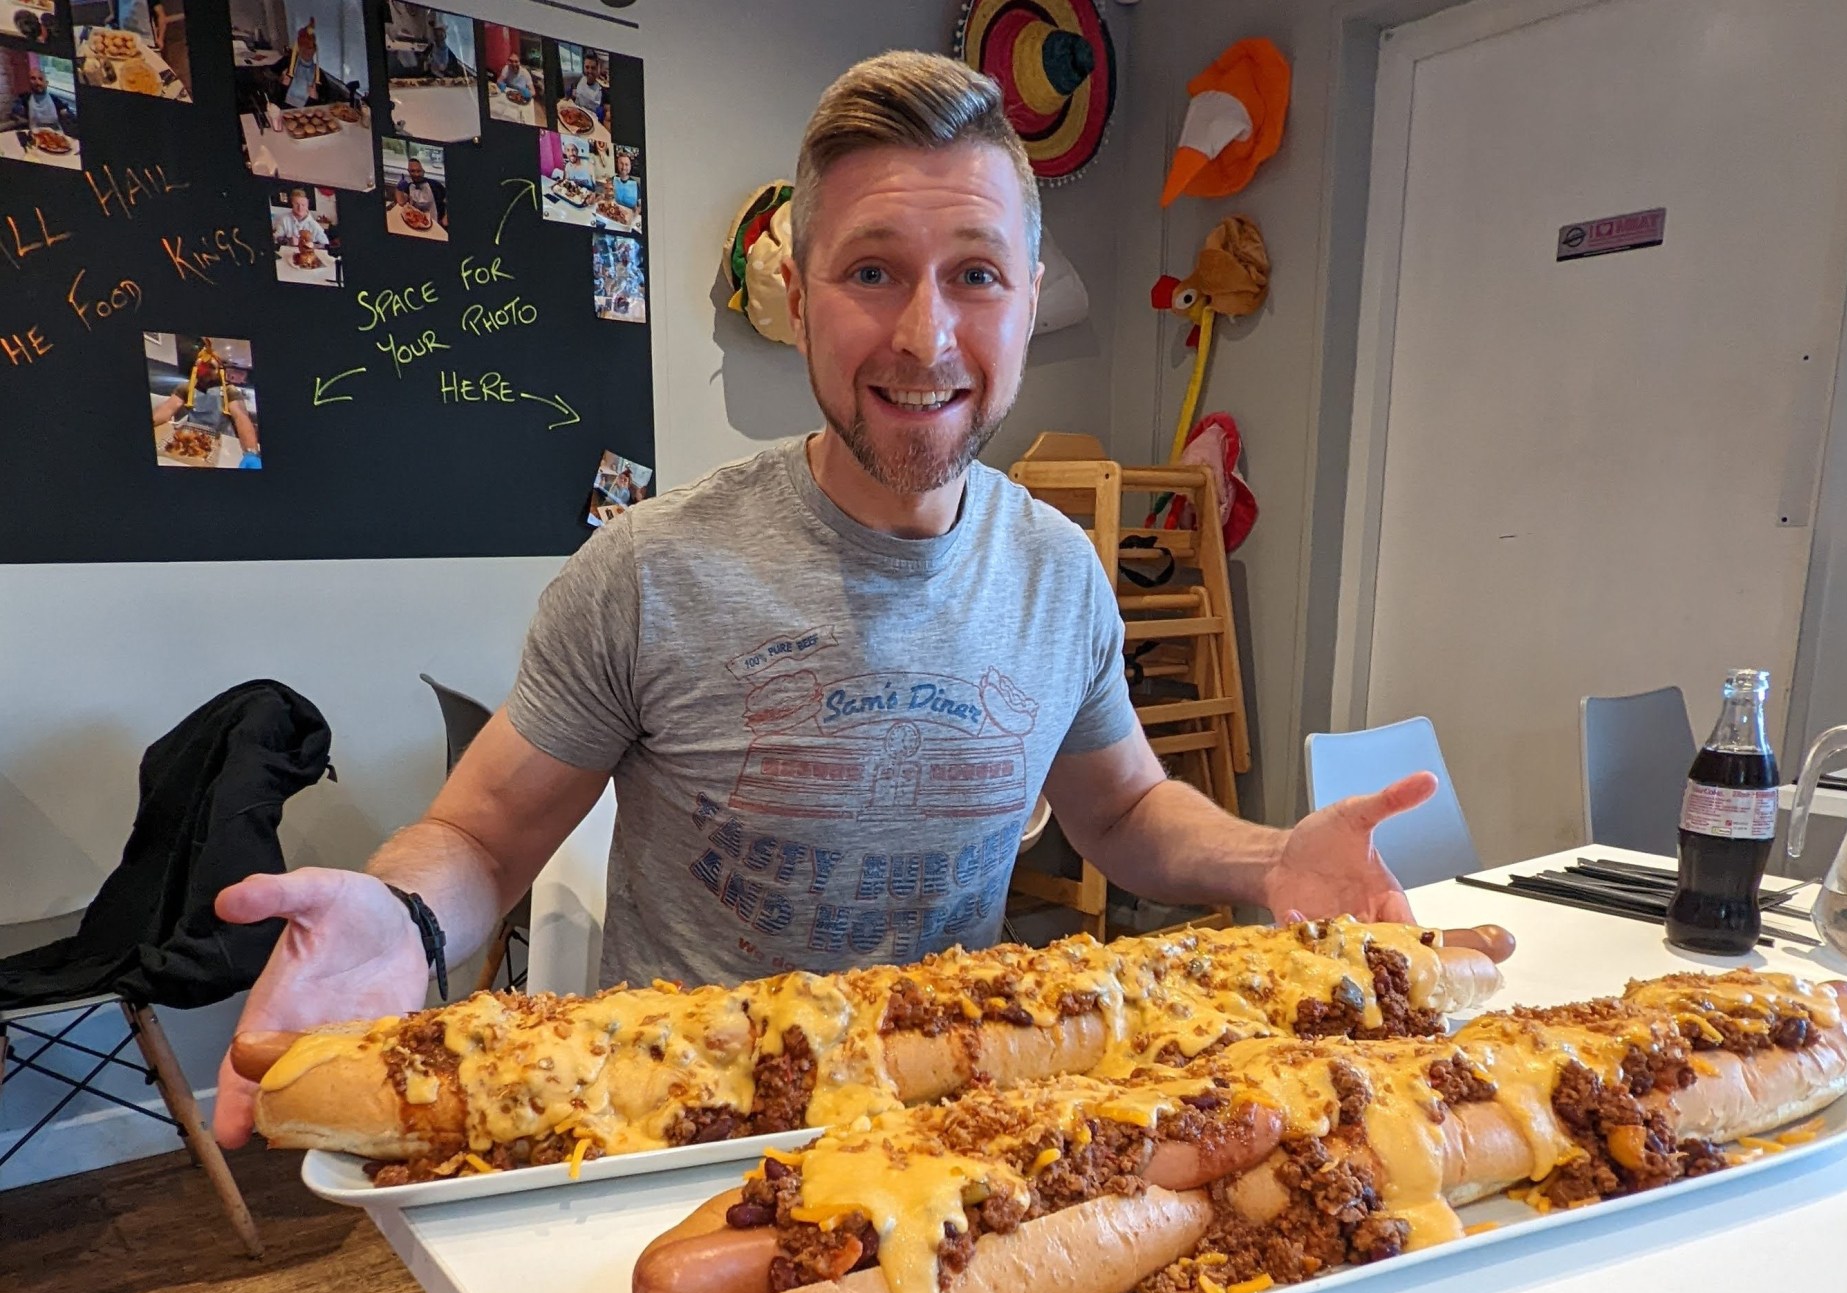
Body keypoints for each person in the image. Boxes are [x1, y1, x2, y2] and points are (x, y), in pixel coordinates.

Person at [210, 52, 1435, 1146]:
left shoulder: (1059, 570)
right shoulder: (648, 569)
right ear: (798, 294)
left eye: (973, 275)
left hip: (948, 1132)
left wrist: (1269, 854)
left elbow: (1121, 814)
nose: (925, 334)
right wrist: (401, 916)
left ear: (1026, 295)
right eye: (871, 271)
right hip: (671, 1125)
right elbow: (483, 837)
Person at [151, 343, 261, 458]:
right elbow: (167, 408)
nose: (205, 371)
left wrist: (251, 453)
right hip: (193, 437)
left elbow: (241, 418)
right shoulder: (187, 387)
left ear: (219, 371)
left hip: (223, 440)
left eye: (211, 367)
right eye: (202, 367)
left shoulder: (229, 390)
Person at [9, 68, 75, 132]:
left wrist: (66, 113)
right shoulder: (25, 99)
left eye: (40, 79)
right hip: (35, 135)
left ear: (46, 83)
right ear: (29, 82)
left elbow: (69, 114)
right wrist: (19, 112)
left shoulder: (54, 100)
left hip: (55, 135)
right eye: (33, 78)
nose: (37, 82)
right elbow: (14, 112)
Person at [282, 17, 320, 109]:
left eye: (309, 48)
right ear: (298, 48)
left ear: (315, 50)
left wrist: (315, 97)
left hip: (307, 113)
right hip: (285, 110)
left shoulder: (318, 74)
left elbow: (321, 105)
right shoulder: (287, 63)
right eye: (303, 47)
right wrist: (282, 84)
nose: (306, 51)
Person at [399, 155, 445, 225]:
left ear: (423, 171)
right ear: (408, 172)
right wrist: (398, 189)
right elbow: (402, 203)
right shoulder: (408, 187)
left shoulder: (436, 185)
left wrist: (444, 220)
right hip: (415, 222)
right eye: (412, 171)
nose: (416, 174)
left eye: (418, 171)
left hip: (436, 223)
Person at [566, 49, 604, 120]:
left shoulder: (601, 91)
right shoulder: (581, 80)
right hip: (574, 113)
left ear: (597, 70)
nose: (589, 71)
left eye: (593, 68)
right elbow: (574, 96)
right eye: (587, 67)